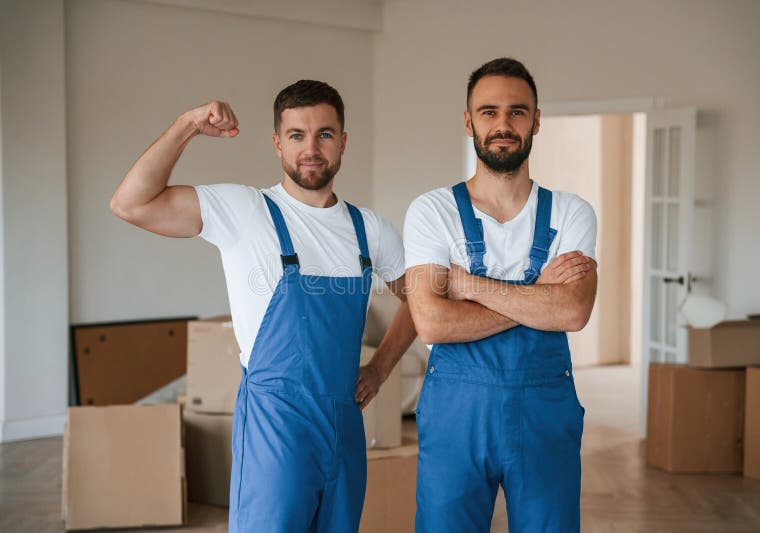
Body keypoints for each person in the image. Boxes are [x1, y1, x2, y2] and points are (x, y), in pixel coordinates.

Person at [110, 80, 416, 533]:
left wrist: (380, 368)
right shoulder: (244, 210)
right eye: (296, 135)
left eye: (325, 134)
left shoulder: (369, 229)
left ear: (343, 142)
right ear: (278, 143)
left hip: (343, 424)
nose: (311, 148)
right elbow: (130, 203)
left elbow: (422, 299)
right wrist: (187, 125)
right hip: (276, 427)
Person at [403, 58, 598, 532]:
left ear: (536, 120)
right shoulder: (432, 211)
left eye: (517, 111)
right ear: (469, 122)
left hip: (544, 419)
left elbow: (572, 311)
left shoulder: (573, 212)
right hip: (456, 422)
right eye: (488, 112)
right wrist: (537, 297)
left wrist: (467, 286)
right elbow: (432, 323)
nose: (503, 124)